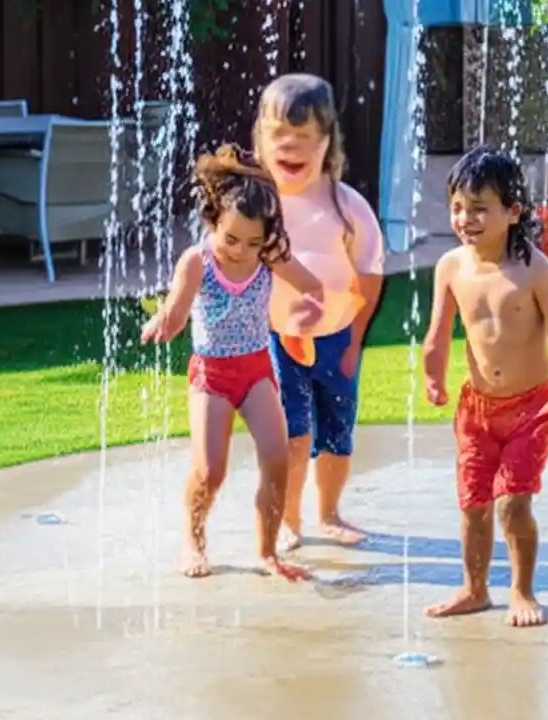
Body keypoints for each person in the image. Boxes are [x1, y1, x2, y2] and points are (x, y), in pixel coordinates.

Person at [140, 144, 323, 581]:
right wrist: (165, 322)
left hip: (257, 370)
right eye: (232, 239)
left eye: (253, 242)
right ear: (213, 222)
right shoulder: (197, 262)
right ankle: (193, 540)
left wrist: (304, 317)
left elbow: (312, 288)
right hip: (212, 375)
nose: (241, 250)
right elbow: (179, 313)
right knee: (211, 469)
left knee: (277, 459)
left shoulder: (269, 257)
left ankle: (267, 552)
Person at [421, 147, 548, 628]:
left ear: (513, 212)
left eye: (478, 208)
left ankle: (522, 590)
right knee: (473, 505)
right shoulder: (451, 266)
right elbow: (438, 330)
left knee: (512, 504)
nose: (465, 218)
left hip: (531, 407)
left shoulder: (533, 269)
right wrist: (433, 373)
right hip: (478, 410)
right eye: (457, 207)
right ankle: (474, 589)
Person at [253, 73, 386, 550]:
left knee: (338, 433)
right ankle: (290, 521)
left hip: (336, 338)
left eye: (304, 136)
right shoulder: (257, 207)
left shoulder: (345, 206)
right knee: (292, 437)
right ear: (260, 140)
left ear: (326, 142)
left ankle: (329, 513)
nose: (290, 146)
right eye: (278, 135)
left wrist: (355, 339)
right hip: (277, 341)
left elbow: (369, 273)